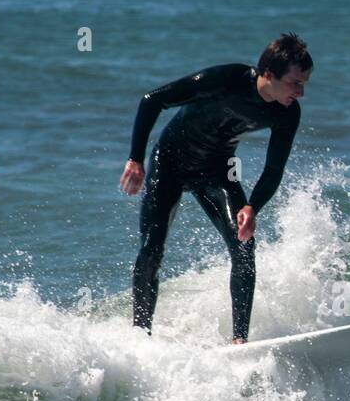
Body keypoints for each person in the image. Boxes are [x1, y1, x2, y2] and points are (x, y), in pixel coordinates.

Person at [120, 33, 311, 342]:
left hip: (217, 170)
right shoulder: (228, 79)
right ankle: (141, 335)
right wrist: (135, 159)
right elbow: (153, 100)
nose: (300, 92)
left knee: (244, 246)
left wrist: (252, 207)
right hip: (170, 162)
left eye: (304, 84)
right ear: (269, 74)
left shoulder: (287, 113)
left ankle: (239, 340)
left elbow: (273, 169)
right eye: (294, 83)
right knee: (152, 249)